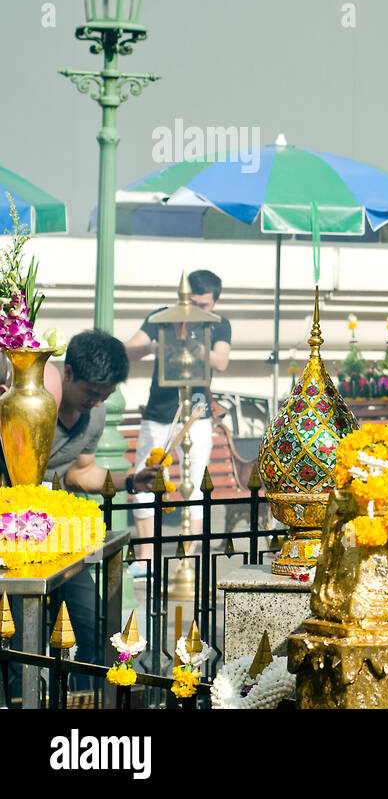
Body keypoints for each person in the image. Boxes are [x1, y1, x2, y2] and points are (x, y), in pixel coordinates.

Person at [1, 330, 129, 698]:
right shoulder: (27, 401)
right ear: (67, 374)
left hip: (54, 537)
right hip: (10, 538)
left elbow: (80, 473)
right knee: (16, 639)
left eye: (106, 395)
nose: (98, 401)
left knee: (91, 624)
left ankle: (83, 703)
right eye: (92, 392)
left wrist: (133, 479)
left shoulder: (95, 417)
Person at [123, 269, 231, 543]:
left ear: (214, 303)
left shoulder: (217, 324)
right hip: (159, 411)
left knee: (194, 483)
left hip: (196, 412)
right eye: (191, 304)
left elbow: (221, 361)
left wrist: (194, 348)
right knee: (145, 478)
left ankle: (188, 556)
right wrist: (157, 346)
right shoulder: (163, 318)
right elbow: (130, 349)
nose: (194, 310)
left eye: (202, 306)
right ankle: (146, 555)